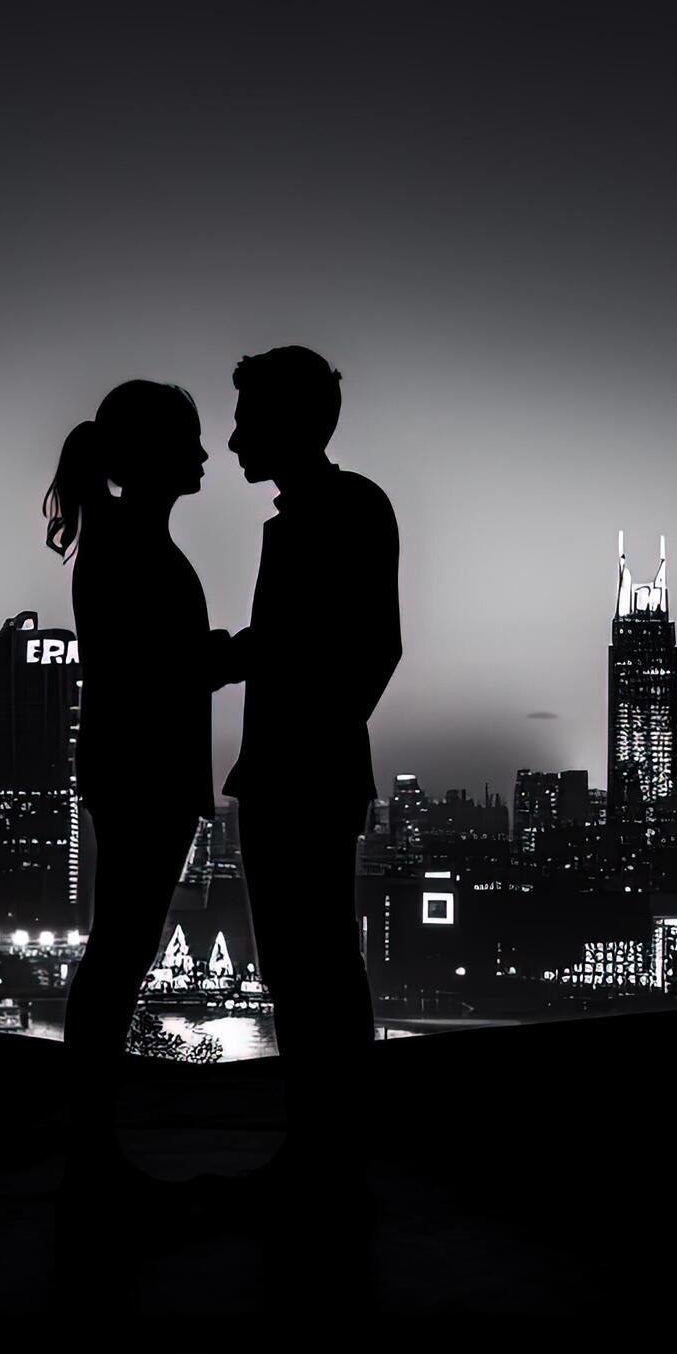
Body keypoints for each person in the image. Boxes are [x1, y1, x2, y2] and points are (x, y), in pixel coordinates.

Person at [46, 379, 234, 1195]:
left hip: (136, 770)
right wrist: (248, 651)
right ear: (152, 456)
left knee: (119, 949)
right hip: (142, 773)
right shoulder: (132, 548)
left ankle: (90, 1137)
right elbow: (159, 670)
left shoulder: (124, 540)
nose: (203, 454)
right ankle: (89, 1142)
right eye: (187, 441)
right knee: (121, 950)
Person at [220, 346, 399, 1192]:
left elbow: (366, 645)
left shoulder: (346, 509)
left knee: (314, 961)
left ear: (291, 422)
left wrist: (311, 728)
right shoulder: (319, 513)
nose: (231, 442)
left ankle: (326, 1149)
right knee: (304, 963)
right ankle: (324, 1143)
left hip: (303, 773)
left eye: (248, 421)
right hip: (296, 769)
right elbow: (307, 643)